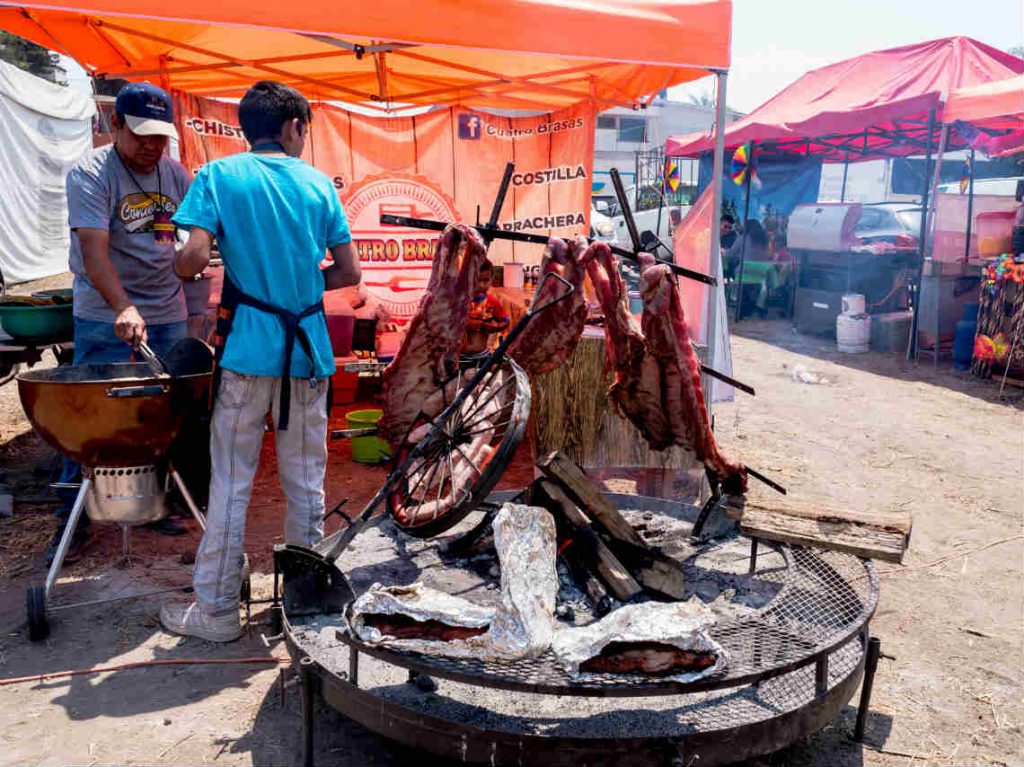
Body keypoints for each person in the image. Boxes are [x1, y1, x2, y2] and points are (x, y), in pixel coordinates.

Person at [160, 81, 361, 642]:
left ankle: (217, 611)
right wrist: (299, 284)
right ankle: (304, 609)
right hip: (306, 354)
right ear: (293, 126)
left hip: (247, 353)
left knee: (231, 482)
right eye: (305, 130)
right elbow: (348, 274)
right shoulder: (319, 184)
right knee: (305, 484)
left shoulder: (218, 176)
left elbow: (193, 256)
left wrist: (185, 264)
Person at [49, 82, 192, 565]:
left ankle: (155, 503)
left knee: (161, 412)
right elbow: (94, 251)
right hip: (102, 311)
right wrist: (122, 308)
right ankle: (74, 520)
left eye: (161, 137)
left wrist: (196, 304)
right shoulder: (90, 173)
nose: (152, 146)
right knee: (91, 418)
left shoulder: (176, 176)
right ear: (116, 126)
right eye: (142, 135)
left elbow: (188, 243)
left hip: (166, 308)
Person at [460, 260, 510, 364]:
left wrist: (495, 327)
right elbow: (448, 322)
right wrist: (467, 323)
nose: (481, 285)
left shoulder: (492, 302)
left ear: (492, 280)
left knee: (486, 375)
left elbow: (505, 320)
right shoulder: (460, 301)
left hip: (482, 354)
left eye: (486, 281)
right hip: (459, 355)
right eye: (476, 281)